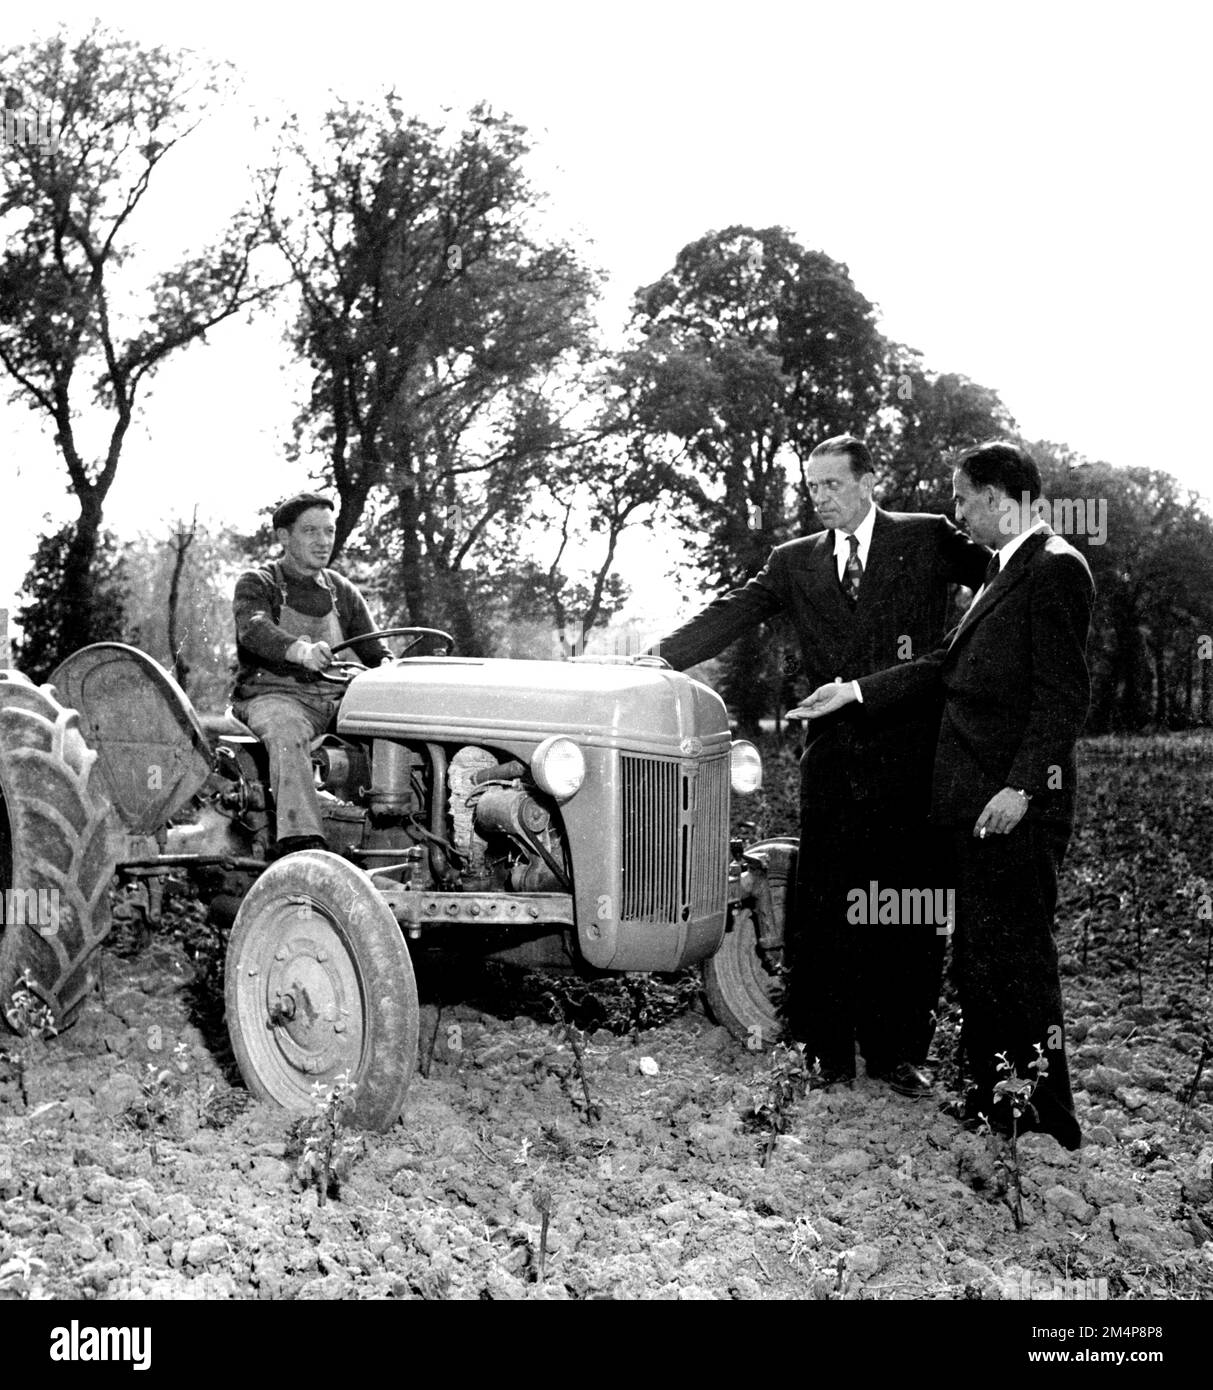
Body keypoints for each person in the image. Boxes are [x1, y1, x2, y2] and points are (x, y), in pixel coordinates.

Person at [652, 435, 991, 1095]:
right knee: (826, 908)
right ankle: (823, 1051)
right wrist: (660, 659)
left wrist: (965, 660)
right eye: (811, 487)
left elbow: (1002, 584)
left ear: (869, 482)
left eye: (832, 485)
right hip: (831, 761)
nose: (820, 498)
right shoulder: (792, 562)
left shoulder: (926, 538)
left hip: (913, 757)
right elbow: (730, 613)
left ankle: (897, 1054)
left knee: (906, 909)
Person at [791, 441, 1093, 1149]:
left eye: (961, 498)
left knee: (1017, 960)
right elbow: (942, 666)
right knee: (981, 960)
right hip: (975, 807)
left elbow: (1062, 696)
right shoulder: (1003, 570)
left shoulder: (1053, 569)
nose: (953, 513)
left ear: (994, 497)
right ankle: (996, 1104)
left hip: (1012, 808)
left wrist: (1021, 786)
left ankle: (1045, 1115)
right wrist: (855, 691)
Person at [232, 492, 392, 855]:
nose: (323, 541)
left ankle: (387, 830)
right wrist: (301, 651)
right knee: (287, 729)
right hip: (272, 697)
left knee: (392, 732)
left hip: (333, 699)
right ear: (284, 537)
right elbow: (254, 630)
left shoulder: (341, 590)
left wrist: (389, 671)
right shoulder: (259, 583)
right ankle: (300, 842)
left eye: (329, 532)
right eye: (310, 531)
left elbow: (376, 651)